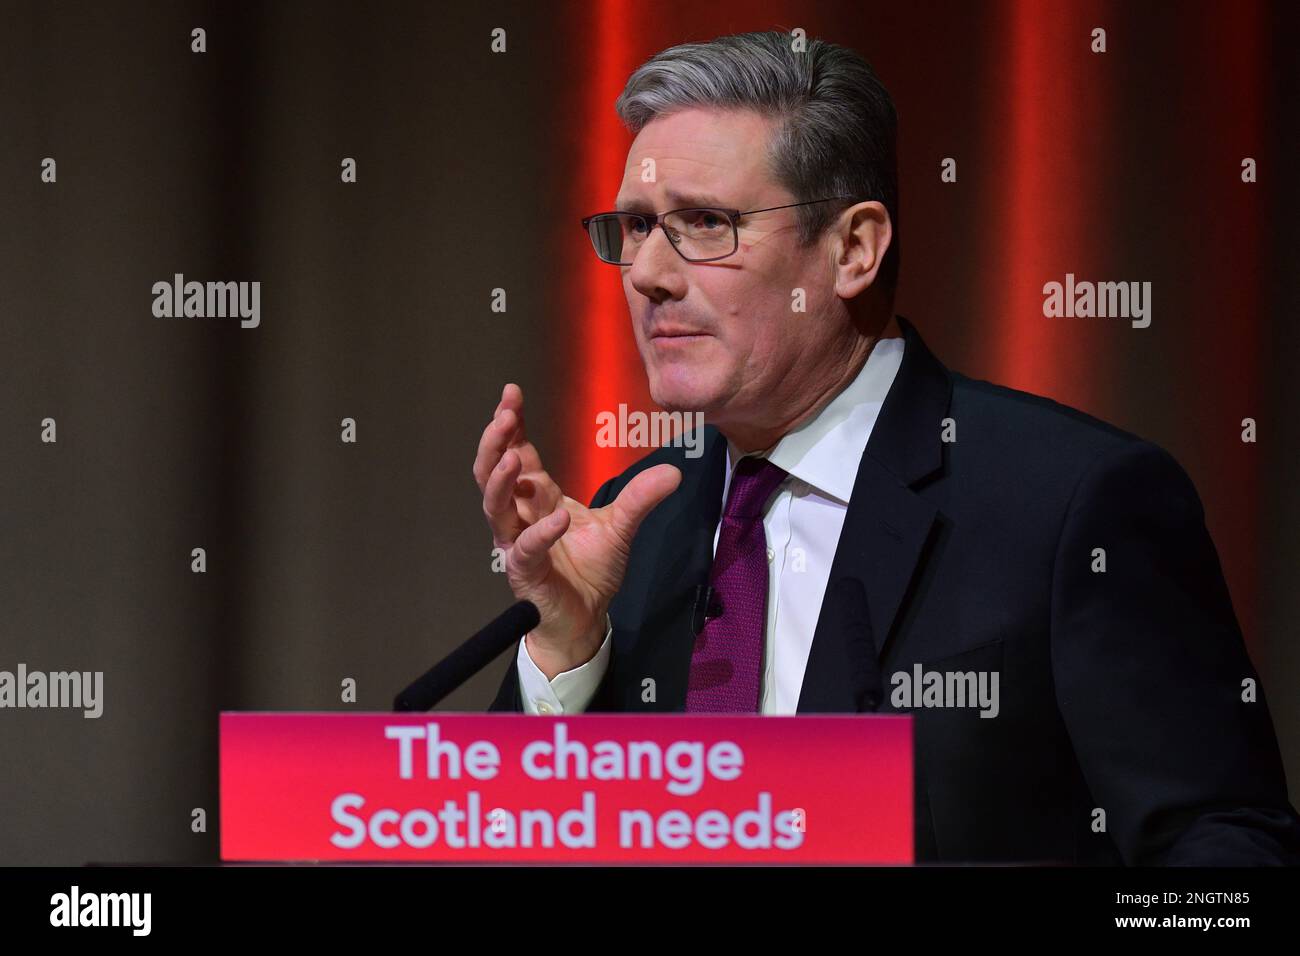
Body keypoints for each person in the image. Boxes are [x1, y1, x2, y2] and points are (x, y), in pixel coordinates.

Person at [472, 30, 1299, 864]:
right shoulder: (631, 521)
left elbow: (1229, 859)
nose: (648, 270)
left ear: (854, 249)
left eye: (705, 223)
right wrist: (564, 651)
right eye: (638, 226)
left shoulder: (1071, 503)